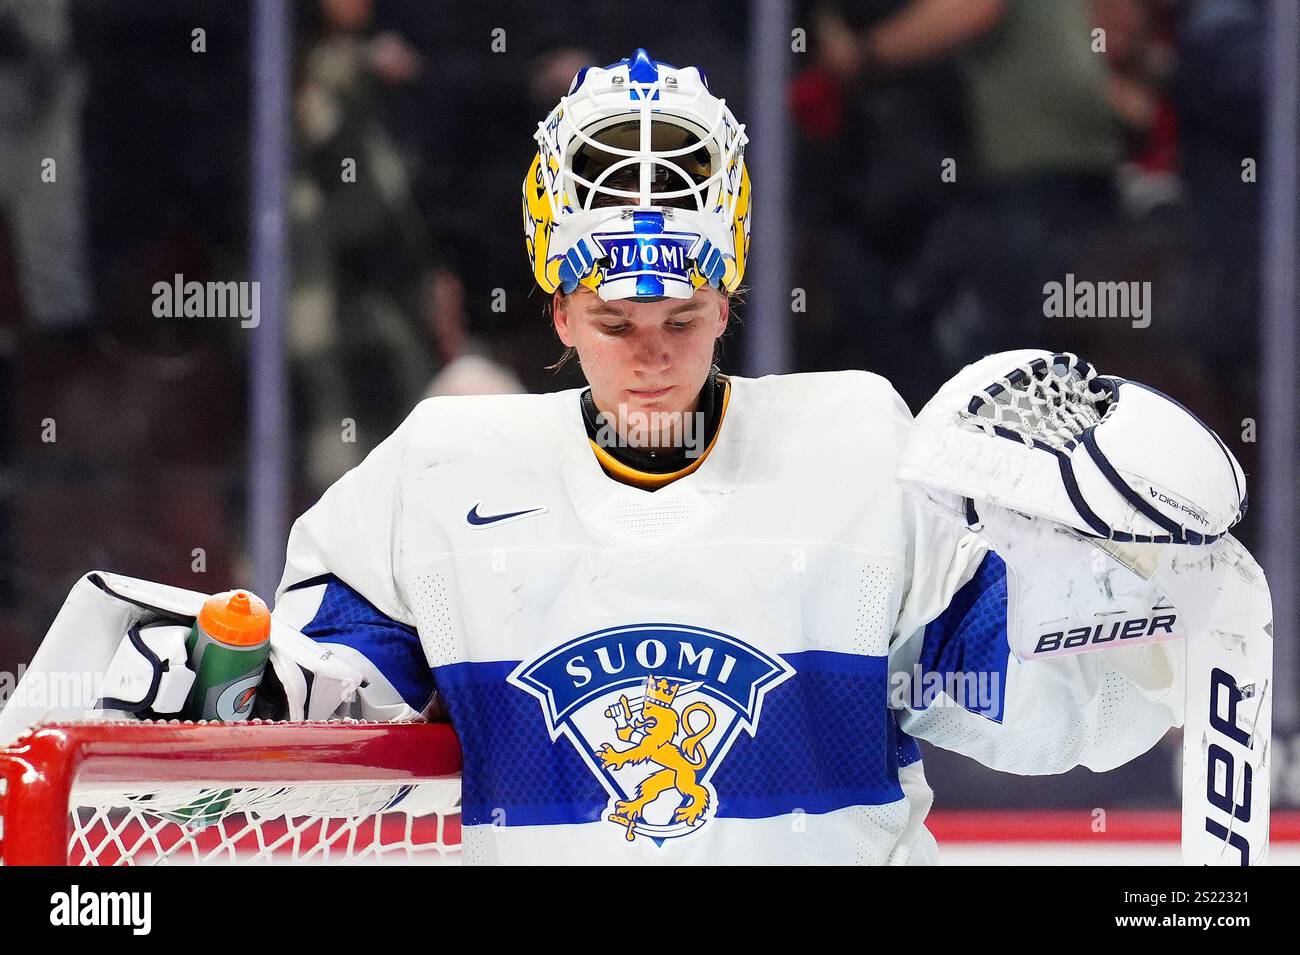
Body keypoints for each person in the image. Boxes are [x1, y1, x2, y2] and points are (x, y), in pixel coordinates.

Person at [0, 49, 1262, 865]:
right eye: (615, 324)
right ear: (555, 310)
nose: (650, 355)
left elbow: (1036, 705)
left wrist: (1132, 598)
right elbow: (328, 713)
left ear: (729, 302)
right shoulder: (438, 471)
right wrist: (201, 683)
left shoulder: (862, 446)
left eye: (680, 321)